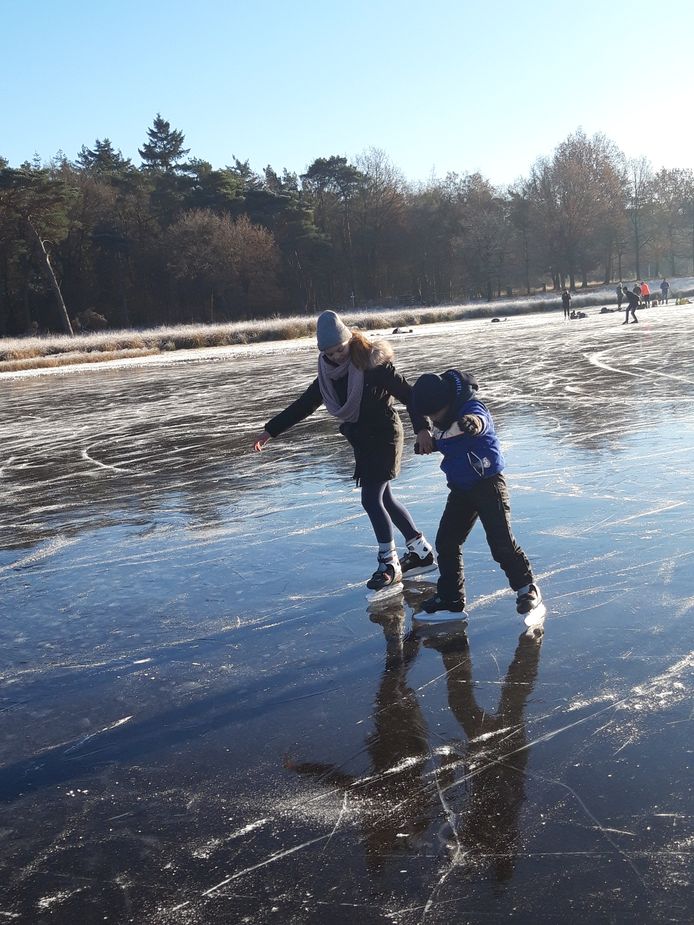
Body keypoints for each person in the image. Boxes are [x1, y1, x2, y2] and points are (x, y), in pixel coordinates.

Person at [253, 310, 435, 592]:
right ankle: (421, 552)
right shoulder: (326, 375)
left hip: (385, 436)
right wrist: (270, 430)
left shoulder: (373, 364)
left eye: (340, 349)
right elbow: (303, 406)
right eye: (330, 352)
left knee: (371, 499)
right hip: (362, 441)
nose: (337, 356)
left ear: (349, 340)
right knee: (384, 499)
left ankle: (389, 564)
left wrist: (423, 428)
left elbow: (411, 396)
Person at [411, 369, 541, 617]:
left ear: (447, 403)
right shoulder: (439, 420)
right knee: (447, 542)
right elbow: (446, 438)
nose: (432, 419)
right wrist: (428, 444)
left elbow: (481, 421)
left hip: (488, 484)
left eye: (434, 413)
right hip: (461, 488)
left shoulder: (469, 408)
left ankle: (527, 589)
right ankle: (451, 598)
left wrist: (473, 423)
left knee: (501, 543)